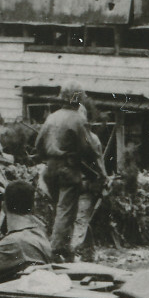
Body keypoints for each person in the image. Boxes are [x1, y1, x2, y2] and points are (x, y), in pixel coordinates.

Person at [34, 81, 108, 261]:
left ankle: (63, 249)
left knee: (59, 211)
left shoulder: (52, 117)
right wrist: (99, 174)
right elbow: (88, 149)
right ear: (78, 98)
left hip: (50, 170)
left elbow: (38, 146)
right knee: (65, 212)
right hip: (68, 170)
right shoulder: (77, 119)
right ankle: (56, 252)